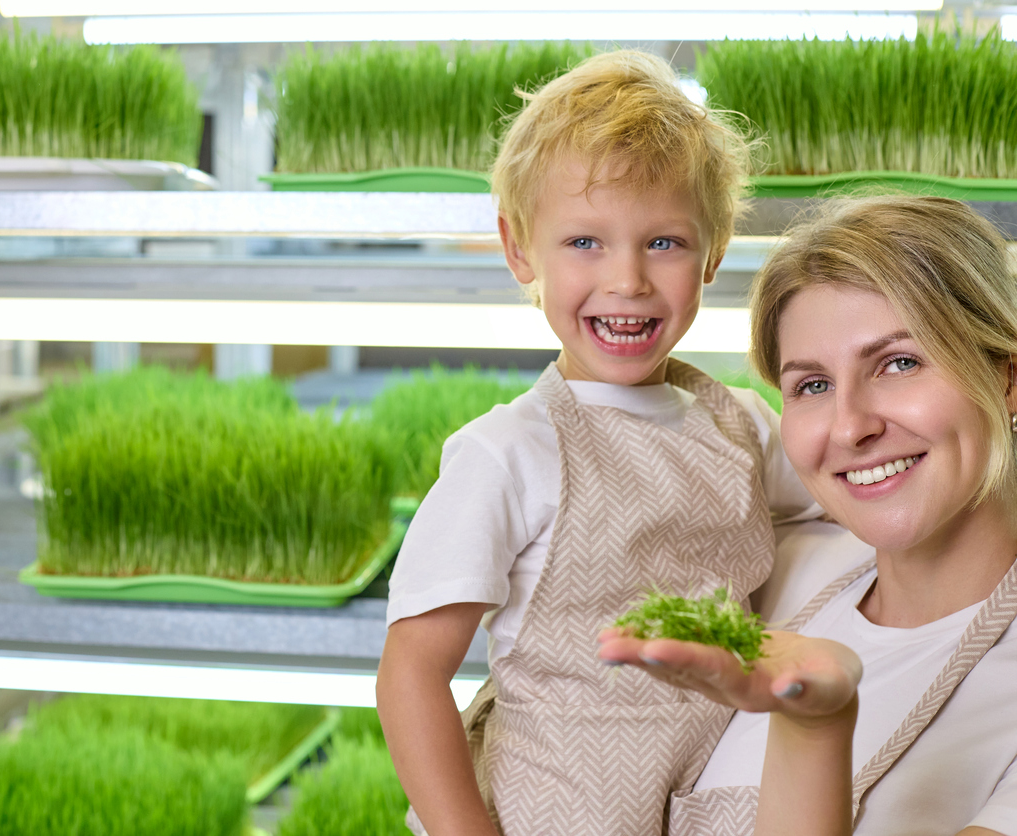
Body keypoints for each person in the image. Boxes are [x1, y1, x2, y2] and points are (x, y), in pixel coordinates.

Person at [375, 50, 819, 836]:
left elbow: (846, 494)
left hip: (706, 796)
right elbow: (411, 673)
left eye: (665, 243)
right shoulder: (506, 453)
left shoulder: (742, 425)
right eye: (584, 242)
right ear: (520, 252)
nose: (628, 279)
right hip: (550, 808)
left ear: (713, 252)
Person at [601, 195, 1017, 836]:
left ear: (1007, 377)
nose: (850, 427)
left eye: (899, 363)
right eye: (812, 386)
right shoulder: (769, 571)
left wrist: (814, 726)